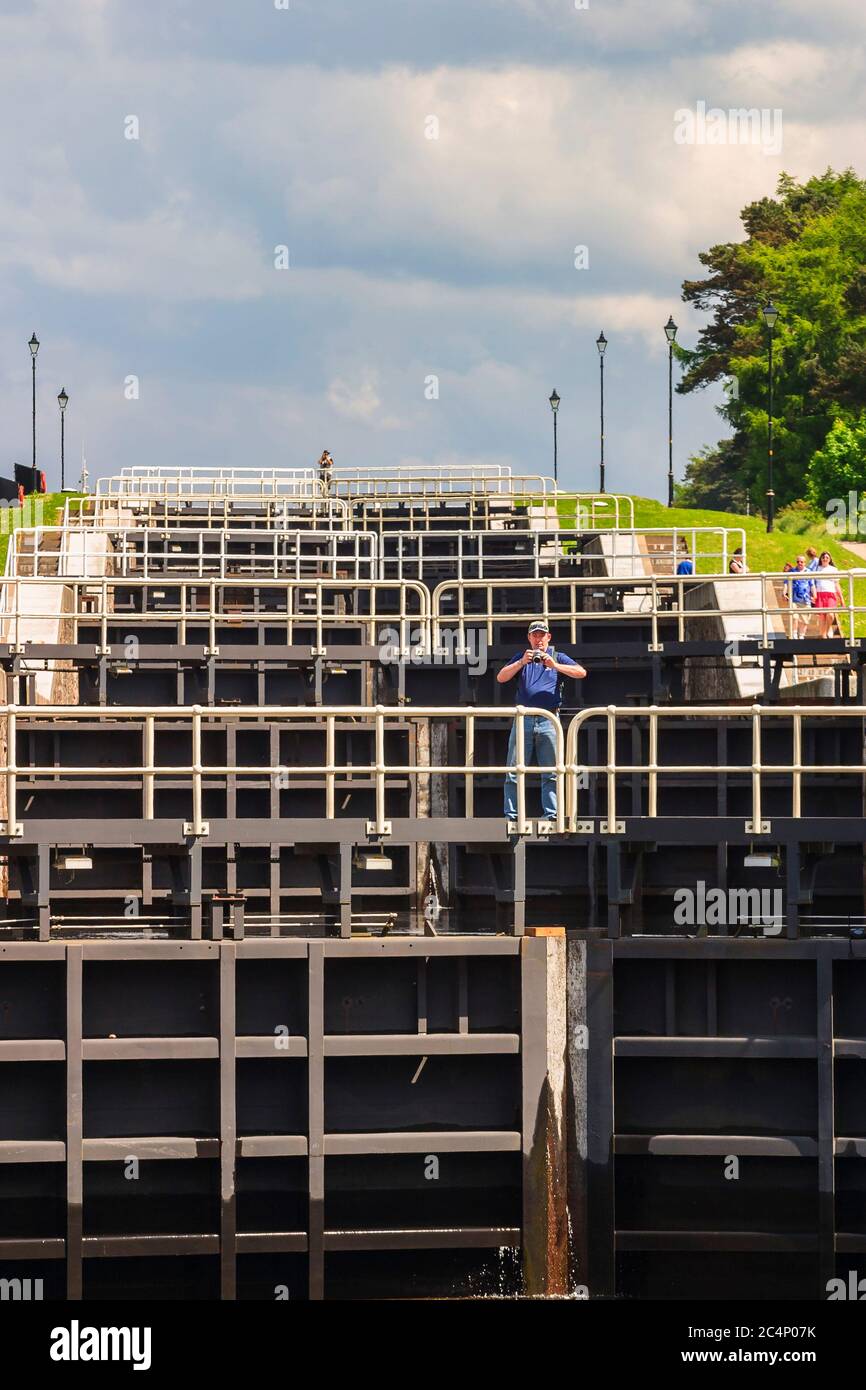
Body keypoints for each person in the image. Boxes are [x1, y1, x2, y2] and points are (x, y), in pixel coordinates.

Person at [497, 621, 586, 822]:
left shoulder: (557, 657)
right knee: (514, 770)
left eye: (542, 635)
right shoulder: (521, 657)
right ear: (529, 638)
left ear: (549, 638)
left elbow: (581, 672)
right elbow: (501, 678)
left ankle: (552, 814)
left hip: (549, 720)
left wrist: (554, 665)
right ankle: (511, 815)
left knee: (552, 771)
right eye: (534, 636)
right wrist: (521, 663)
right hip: (523, 719)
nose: (538, 640)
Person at [783, 554, 815, 638]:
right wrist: (784, 593)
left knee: (805, 620)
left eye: (801, 562)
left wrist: (814, 595)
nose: (799, 563)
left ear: (805, 563)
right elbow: (786, 583)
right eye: (798, 562)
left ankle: (801, 635)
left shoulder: (808, 572)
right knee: (794, 617)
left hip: (805, 599)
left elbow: (812, 584)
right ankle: (794, 634)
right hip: (794, 599)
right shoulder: (792, 571)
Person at [812, 551, 843, 637]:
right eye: (823, 557)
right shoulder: (816, 568)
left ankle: (828, 629)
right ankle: (823, 635)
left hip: (830, 594)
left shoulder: (833, 569)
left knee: (830, 615)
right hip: (820, 594)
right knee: (822, 617)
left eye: (827, 557)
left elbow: (837, 584)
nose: (825, 559)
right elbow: (812, 583)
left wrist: (841, 598)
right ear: (821, 559)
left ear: (829, 559)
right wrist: (813, 594)